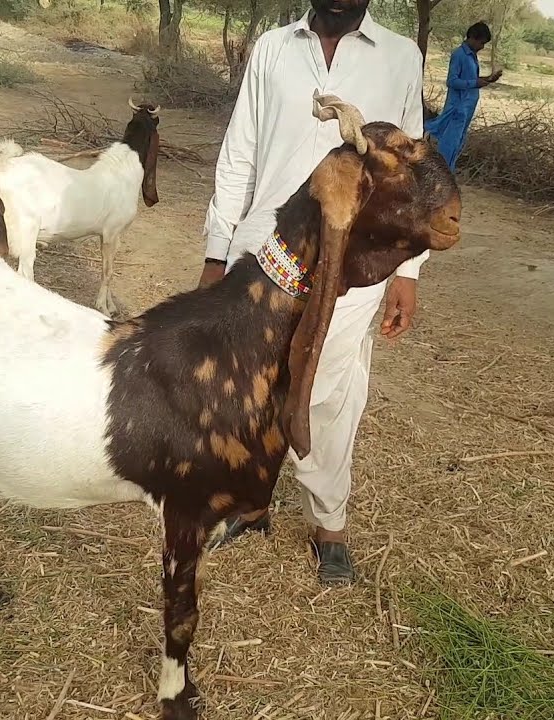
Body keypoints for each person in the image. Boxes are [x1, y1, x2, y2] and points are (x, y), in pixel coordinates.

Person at [197, 0, 426, 586]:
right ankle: (252, 501)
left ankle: (329, 524)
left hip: (352, 263)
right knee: (252, 388)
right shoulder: (273, 49)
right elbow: (240, 153)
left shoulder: (401, 57)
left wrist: (408, 270)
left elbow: (409, 177)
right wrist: (217, 253)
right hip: (264, 253)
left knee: (325, 394)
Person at [424, 22, 501, 172]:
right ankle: (442, 173)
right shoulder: (459, 55)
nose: (482, 47)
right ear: (472, 37)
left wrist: (488, 79)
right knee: (449, 143)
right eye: (481, 43)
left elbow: (470, 78)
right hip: (458, 108)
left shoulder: (472, 56)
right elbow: (452, 81)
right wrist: (474, 83)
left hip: (466, 108)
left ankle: (448, 171)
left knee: (457, 143)